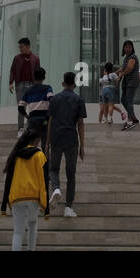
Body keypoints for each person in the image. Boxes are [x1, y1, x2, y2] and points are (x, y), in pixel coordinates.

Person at [0, 123, 49, 250]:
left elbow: (8, 181)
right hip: (33, 197)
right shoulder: (39, 156)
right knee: (33, 223)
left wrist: (4, 204)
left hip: (16, 197)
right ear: (36, 141)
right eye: (38, 141)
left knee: (18, 232)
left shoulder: (15, 156)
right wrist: (45, 204)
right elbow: (43, 181)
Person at [47, 70, 86, 218]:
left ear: (63, 83)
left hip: (56, 138)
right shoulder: (78, 100)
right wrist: (82, 146)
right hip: (71, 139)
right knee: (71, 174)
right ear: (75, 84)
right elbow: (81, 124)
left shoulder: (55, 99)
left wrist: (47, 143)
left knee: (54, 169)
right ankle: (68, 207)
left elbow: (50, 121)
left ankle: (56, 188)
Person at [9, 37, 41, 130]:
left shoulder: (35, 58)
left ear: (28, 46)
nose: (20, 49)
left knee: (33, 107)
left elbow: (38, 72)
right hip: (20, 85)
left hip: (32, 85)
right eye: (19, 47)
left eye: (22, 47)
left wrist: (38, 85)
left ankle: (30, 127)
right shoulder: (17, 58)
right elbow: (12, 71)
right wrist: (11, 83)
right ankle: (20, 128)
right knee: (21, 108)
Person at [21, 67, 53, 144]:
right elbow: (52, 100)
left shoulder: (28, 91)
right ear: (44, 77)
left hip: (32, 120)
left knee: (32, 144)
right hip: (44, 120)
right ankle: (45, 156)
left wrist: (28, 117)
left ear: (33, 77)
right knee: (45, 144)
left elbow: (20, 107)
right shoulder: (47, 88)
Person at [116, 40, 140, 130]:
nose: (127, 49)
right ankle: (133, 117)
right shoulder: (126, 58)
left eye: (129, 47)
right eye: (126, 47)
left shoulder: (133, 57)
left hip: (132, 81)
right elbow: (122, 68)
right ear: (123, 48)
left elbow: (129, 68)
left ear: (132, 48)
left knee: (129, 100)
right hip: (126, 82)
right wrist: (115, 74)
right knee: (123, 99)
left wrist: (121, 75)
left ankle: (130, 120)